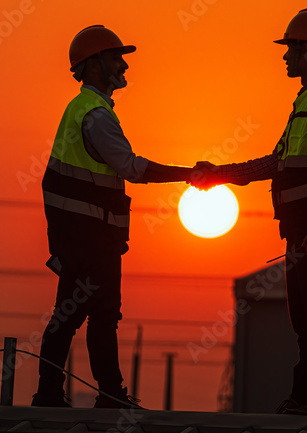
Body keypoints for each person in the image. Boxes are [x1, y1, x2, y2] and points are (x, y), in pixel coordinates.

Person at [33, 25, 214, 409]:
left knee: (73, 314)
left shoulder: (80, 110)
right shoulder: (96, 116)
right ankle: (104, 396)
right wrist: (189, 174)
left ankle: (57, 395)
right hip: (92, 238)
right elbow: (131, 168)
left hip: (83, 235)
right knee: (98, 314)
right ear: (93, 64)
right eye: (116, 58)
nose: (124, 65)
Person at [199, 9, 307, 416]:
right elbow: (277, 163)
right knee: (304, 313)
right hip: (301, 226)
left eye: (290, 49)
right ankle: (306, 396)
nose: (285, 57)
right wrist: (219, 175)